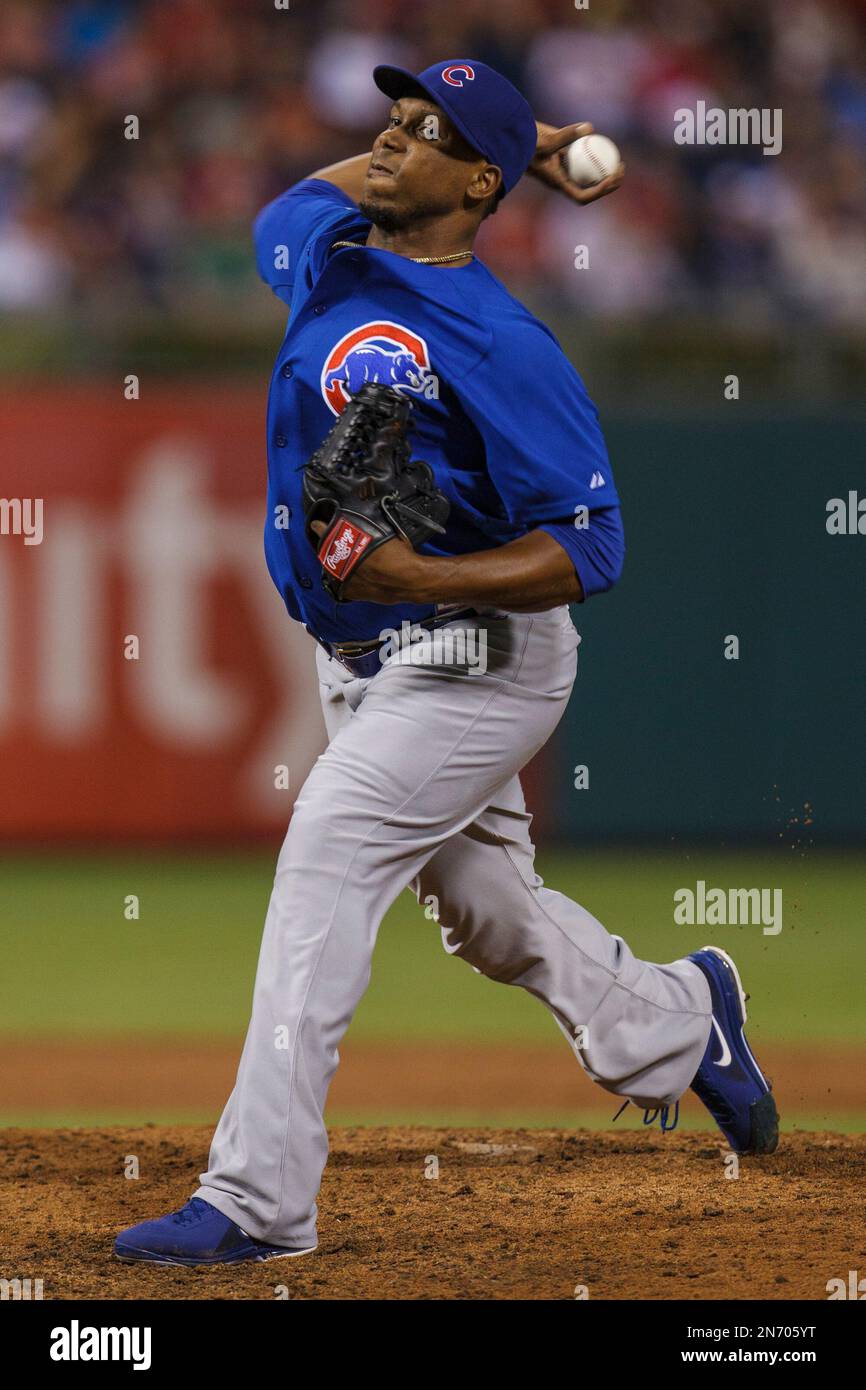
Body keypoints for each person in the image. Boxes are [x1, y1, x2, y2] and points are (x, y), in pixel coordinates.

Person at [114, 59, 777, 1268]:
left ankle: (258, 1201)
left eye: (425, 134)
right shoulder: (327, 254)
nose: (385, 140)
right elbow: (292, 202)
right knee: (488, 919)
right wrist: (507, 149)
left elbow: (594, 544)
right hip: (359, 657)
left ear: (469, 185)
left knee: (326, 846)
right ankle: (686, 1023)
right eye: (390, 118)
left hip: (480, 656)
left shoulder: (504, 343)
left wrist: (426, 580)